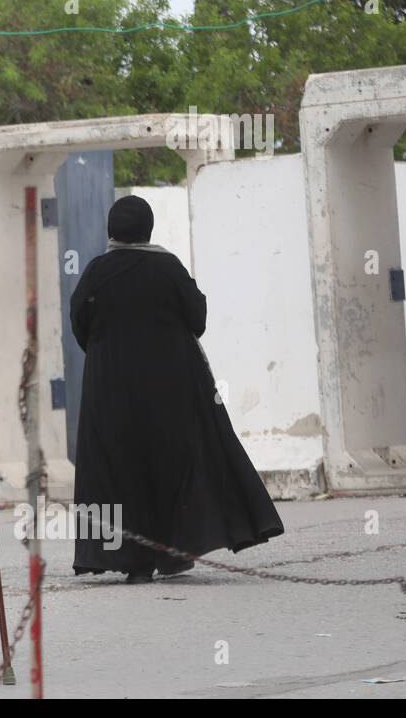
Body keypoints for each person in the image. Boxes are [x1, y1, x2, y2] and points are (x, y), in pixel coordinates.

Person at [69, 195, 284, 584]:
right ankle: (173, 553)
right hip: (170, 385)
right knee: (172, 462)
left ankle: (133, 560)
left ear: (111, 230)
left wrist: (108, 353)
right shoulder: (167, 266)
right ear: (148, 228)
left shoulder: (96, 271)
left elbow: (80, 321)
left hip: (110, 386)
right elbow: (197, 317)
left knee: (120, 465)